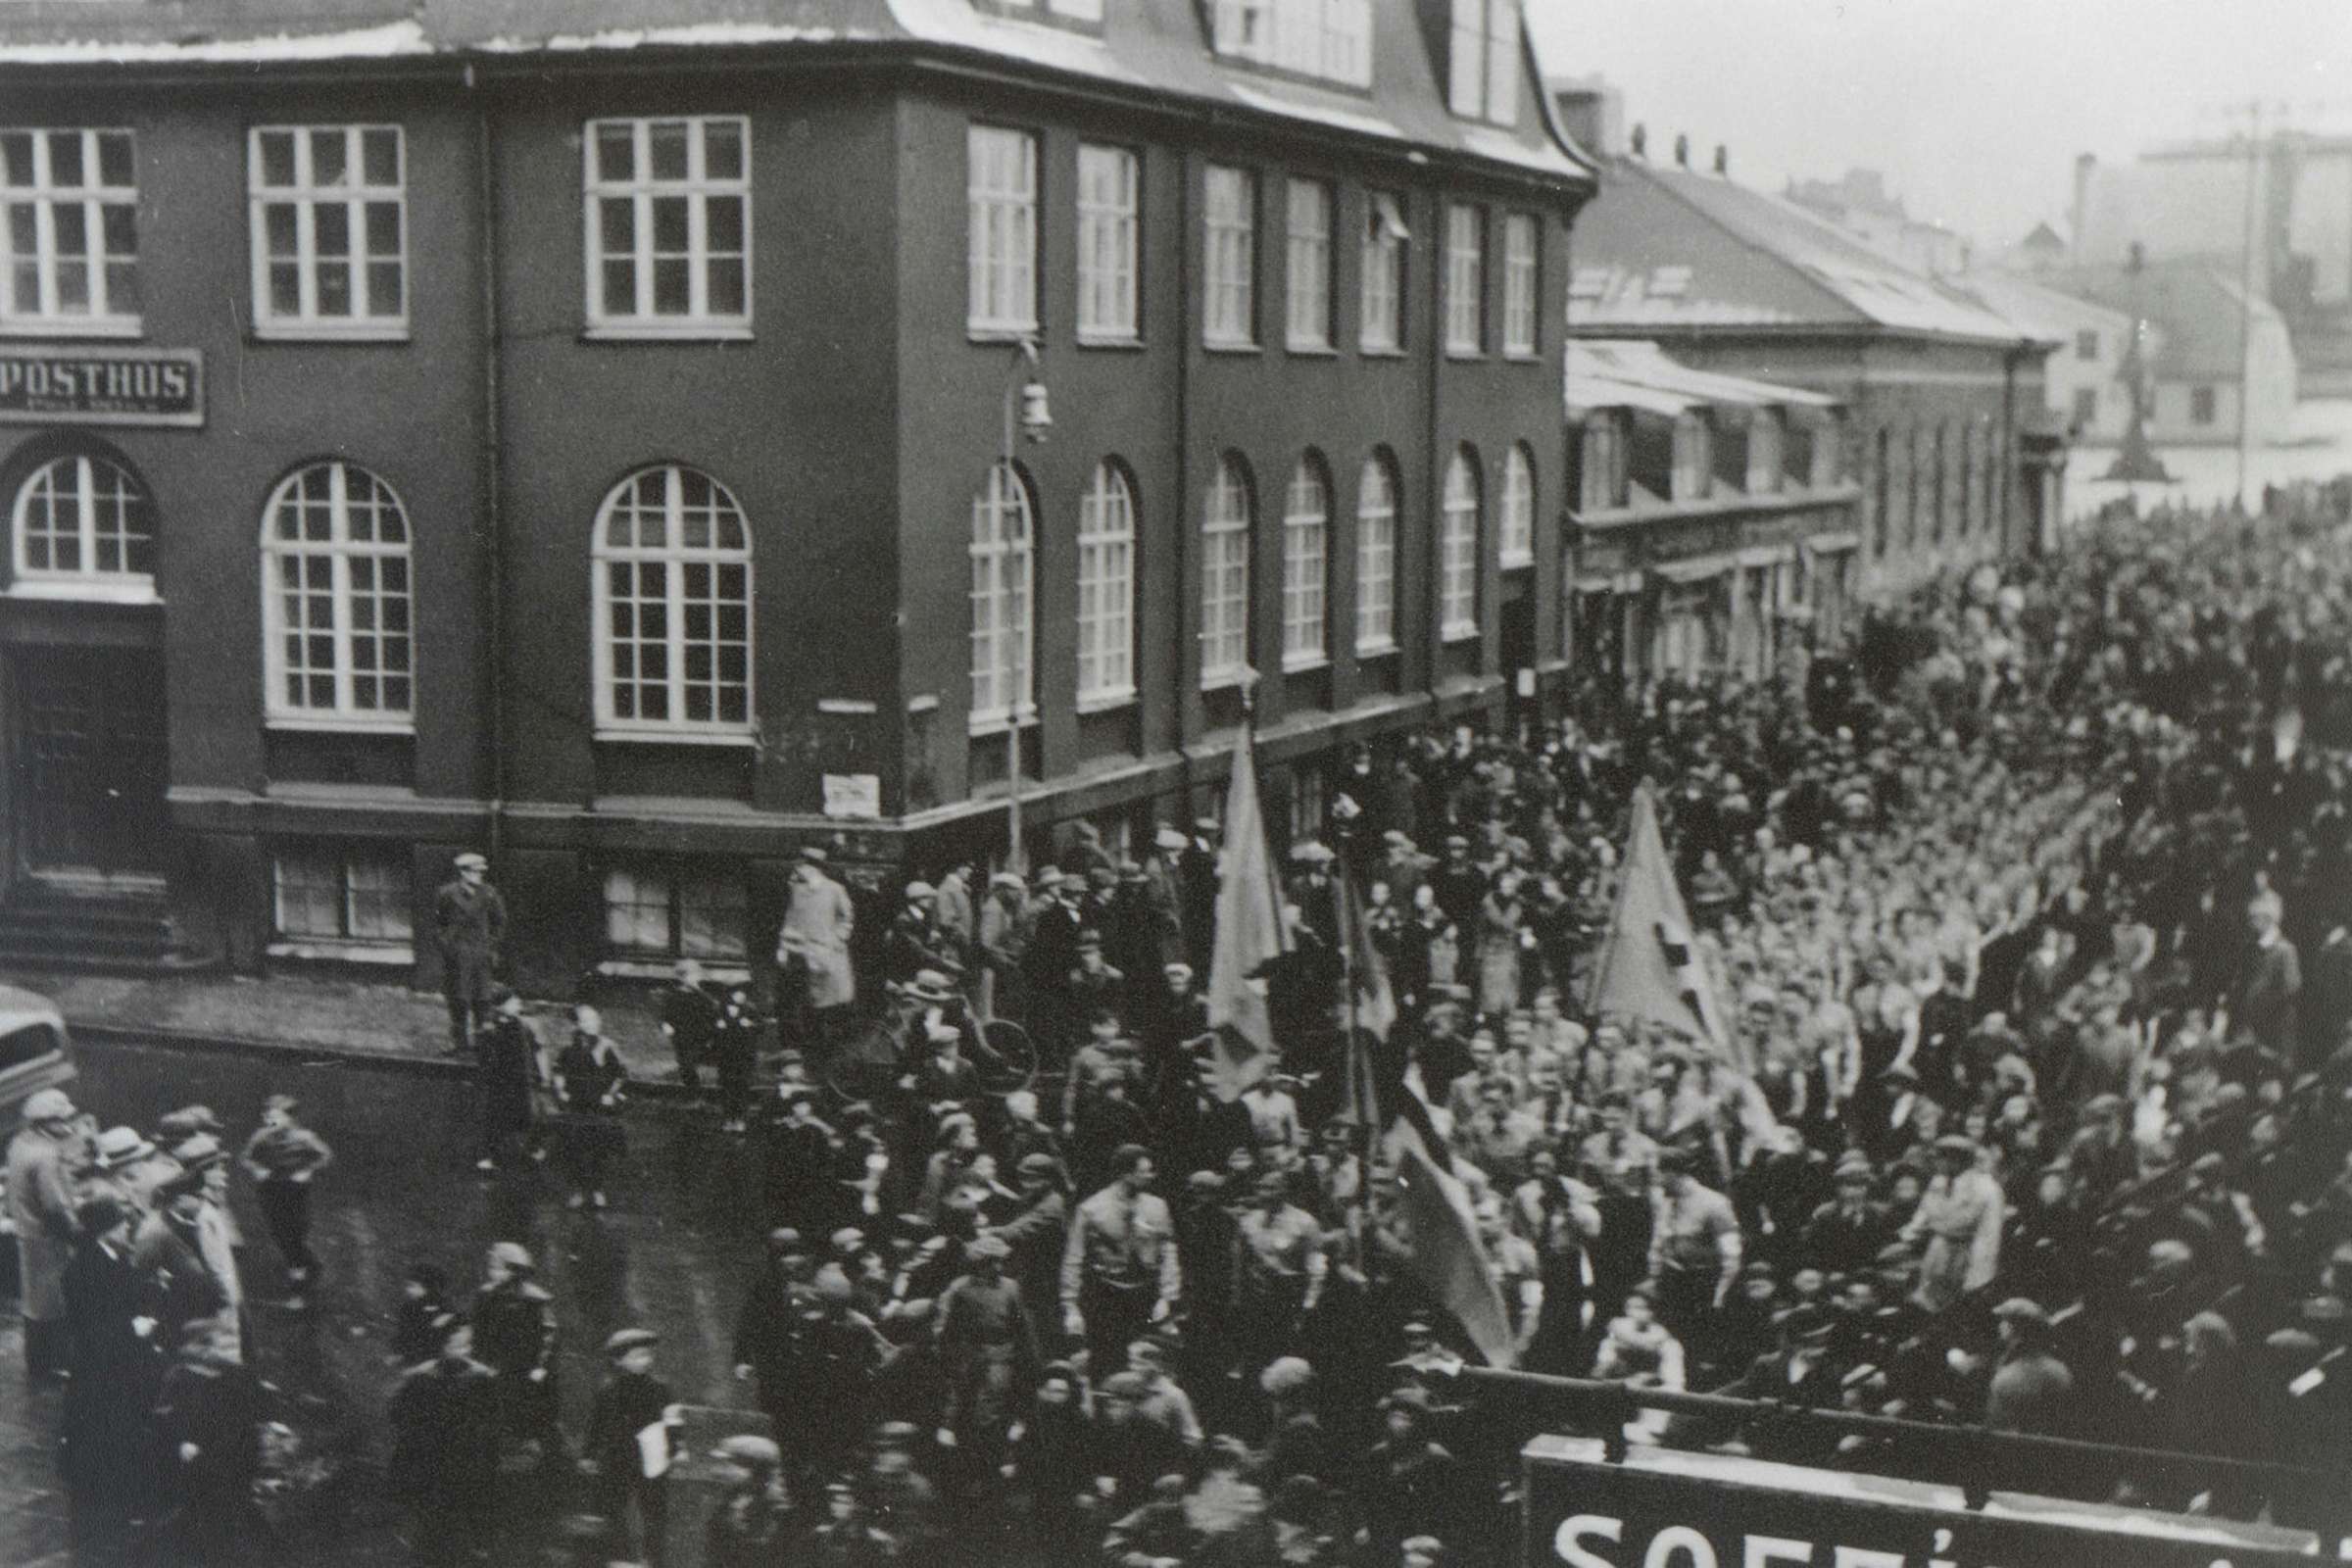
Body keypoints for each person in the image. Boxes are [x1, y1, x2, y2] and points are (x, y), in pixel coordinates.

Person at [60, 1195, 160, 1545]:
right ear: (106, 1230)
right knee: (105, 1425)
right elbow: (89, 1327)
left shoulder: (112, 1257)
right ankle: (105, 1494)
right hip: (101, 1366)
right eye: (121, 1224)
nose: (127, 1228)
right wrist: (134, 1328)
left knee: (117, 1425)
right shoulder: (82, 1270)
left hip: (118, 1361)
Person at [388, 1313, 502, 1567]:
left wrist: (483, 1449)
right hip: (431, 1462)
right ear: (442, 1344)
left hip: (467, 1460)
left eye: (467, 1344)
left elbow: (493, 1421)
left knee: (465, 1524)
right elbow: (398, 1413)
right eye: (456, 1344)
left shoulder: (481, 1378)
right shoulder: (422, 1377)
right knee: (431, 1527)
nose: (464, 1350)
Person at [153, 1319, 267, 1566]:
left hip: (217, 1457)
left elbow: (168, 1415)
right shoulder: (192, 1375)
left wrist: (188, 1442)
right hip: (216, 1458)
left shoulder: (193, 1376)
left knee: (215, 1517)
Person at [1061, 1145, 1181, 1370]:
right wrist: (1070, 1306)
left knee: (1148, 1361)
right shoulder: (1092, 1209)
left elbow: (1168, 1252)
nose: (1151, 1175)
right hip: (1107, 1297)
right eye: (1144, 1171)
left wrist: (1167, 1296)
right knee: (1108, 1361)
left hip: (1146, 1294)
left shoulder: (1158, 1206)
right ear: (1125, 1174)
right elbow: (1074, 1258)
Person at [582, 1328, 679, 1568]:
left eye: (648, 1355)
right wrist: (589, 1454)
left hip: (652, 1459)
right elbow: (597, 1424)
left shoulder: (660, 1389)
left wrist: (675, 1448)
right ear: (619, 1360)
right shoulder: (609, 1391)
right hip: (617, 1459)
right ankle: (617, 1557)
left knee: (654, 1514)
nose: (645, 1361)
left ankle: (653, 1561)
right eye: (637, 1356)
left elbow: (673, 1421)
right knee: (613, 1510)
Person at [7, 1086, 83, 1381]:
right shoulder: (46, 1155)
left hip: (26, 1232)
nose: (67, 1125)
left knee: (34, 1301)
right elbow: (54, 1205)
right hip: (48, 1238)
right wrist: (75, 1229)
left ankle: (37, 1362)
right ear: (44, 1123)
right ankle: (54, 1364)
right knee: (55, 1302)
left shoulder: (19, 1144)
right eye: (61, 1120)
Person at [238, 1092, 333, 1310]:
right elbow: (245, 1158)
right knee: (280, 1234)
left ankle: (298, 1291)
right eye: (267, 1116)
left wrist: (307, 1170)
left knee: (294, 1235)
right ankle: (307, 1264)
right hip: (270, 1190)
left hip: (295, 1191)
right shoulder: (261, 1136)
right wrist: (258, 1169)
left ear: (290, 1118)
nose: (270, 1121)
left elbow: (325, 1156)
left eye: (276, 1117)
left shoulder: (304, 1137)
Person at [472, 1241, 561, 1457]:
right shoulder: (487, 1295)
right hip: (495, 1361)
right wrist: (478, 1358)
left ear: (515, 1271)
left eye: (499, 1268)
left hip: (525, 1364)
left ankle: (531, 1443)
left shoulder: (534, 1299)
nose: (494, 1273)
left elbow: (548, 1335)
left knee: (528, 1404)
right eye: (492, 1267)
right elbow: (478, 1330)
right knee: (492, 1403)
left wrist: (541, 1365)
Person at [779, 846, 858, 1052]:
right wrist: (783, 947)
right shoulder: (797, 890)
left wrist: (837, 940)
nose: (798, 870)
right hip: (799, 953)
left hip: (827, 955)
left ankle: (827, 1050)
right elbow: (790, 918)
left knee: (829, 1003)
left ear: (814, 868)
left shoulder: (834, 889)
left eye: (802, 866)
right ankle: (802, 1048)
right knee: (801, 1002)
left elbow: (847, 917)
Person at [554, 1004, 628, 1209]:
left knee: (598, 1146)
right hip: (577, 1103)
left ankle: (596, 1189)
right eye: (586, 1021)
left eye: (595, 1019)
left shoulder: (606, 1046)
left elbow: (621, 1074)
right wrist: (561, 1090)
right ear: (577, 1025)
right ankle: (578, 1189)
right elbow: (559, 1071)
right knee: (574, 1146)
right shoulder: (569, 1048)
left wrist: (610, 1094)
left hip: (598, 1104)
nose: (593, 1024)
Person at [434, 850, 509, 1055]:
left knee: (482, 1000)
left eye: (480, 872)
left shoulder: (489, 893)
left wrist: (490, 945)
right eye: (474, 872)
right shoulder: (447, 893)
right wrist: (446, 945)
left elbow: (500, 923)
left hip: (480, 956)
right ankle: (459, 1043)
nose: (479, 876)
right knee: (458, 999)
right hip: (457, 957)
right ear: (463, 873)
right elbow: (439, 923)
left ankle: (483, 1044)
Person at [474, 987, 539, 1173]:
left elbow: (533, 1048)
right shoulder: (491, 1027)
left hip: (520, 1078)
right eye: (513, 1002)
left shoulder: (522, 1025)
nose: (518, 1004)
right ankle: (490, 1155)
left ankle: (523, 1151)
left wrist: (537, 1074)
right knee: (496, 1116)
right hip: (499, 1080)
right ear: (501, 1006)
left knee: (523, 1115)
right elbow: (485, 1054)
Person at [704, 1435, 792, 1568]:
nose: (716, 1471)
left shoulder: (773, 1513)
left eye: (726, 1464)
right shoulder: (730, 1500)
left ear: (754, 1471)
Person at [660, 957, 721, 1094]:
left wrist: (713, 1029)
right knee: (685, 1065)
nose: (695, 979)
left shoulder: (703, 997)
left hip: (700, 1036)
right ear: (682, 978)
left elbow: (713, 1015)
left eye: (697, 975)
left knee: (691, 1061)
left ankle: (698, 1092)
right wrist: (665, 1025)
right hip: (681, 1037)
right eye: (691, 975)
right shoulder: (674, 996)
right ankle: (693, 1092)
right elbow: (665, 1015)